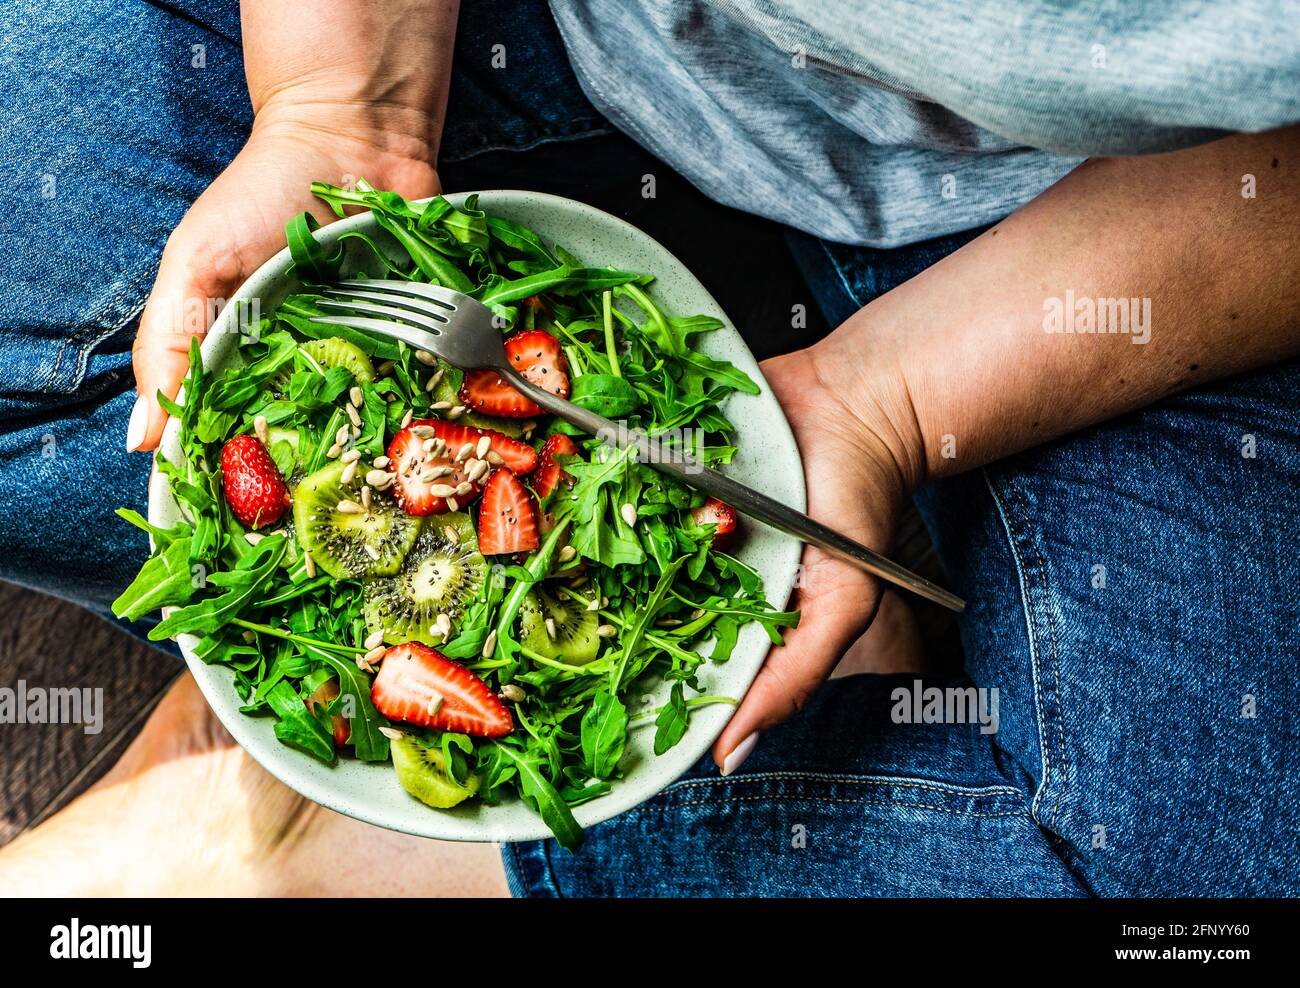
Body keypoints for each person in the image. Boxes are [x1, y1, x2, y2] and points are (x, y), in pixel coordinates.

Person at [0, 0, 1296, 897]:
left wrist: (884, 399)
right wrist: (343, 102)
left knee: (1157, 881)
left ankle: (326, 844)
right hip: (580, 55)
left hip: (1141, 247)